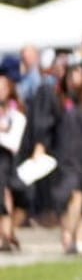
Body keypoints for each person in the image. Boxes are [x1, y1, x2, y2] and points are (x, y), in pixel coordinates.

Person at [28, 58, 82, 255]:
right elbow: (47, 126)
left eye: (78, 74)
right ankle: (67, 235)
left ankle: (80, 238)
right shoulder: (58, 99)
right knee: (74, 195)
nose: (74, 79)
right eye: (71, 74)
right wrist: (40, 147)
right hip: (66, 156)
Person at [0, 74, 26, 252]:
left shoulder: (15, 114)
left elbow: (13, 143)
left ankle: (7, 235)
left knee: (7, 199)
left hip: (6, 164)